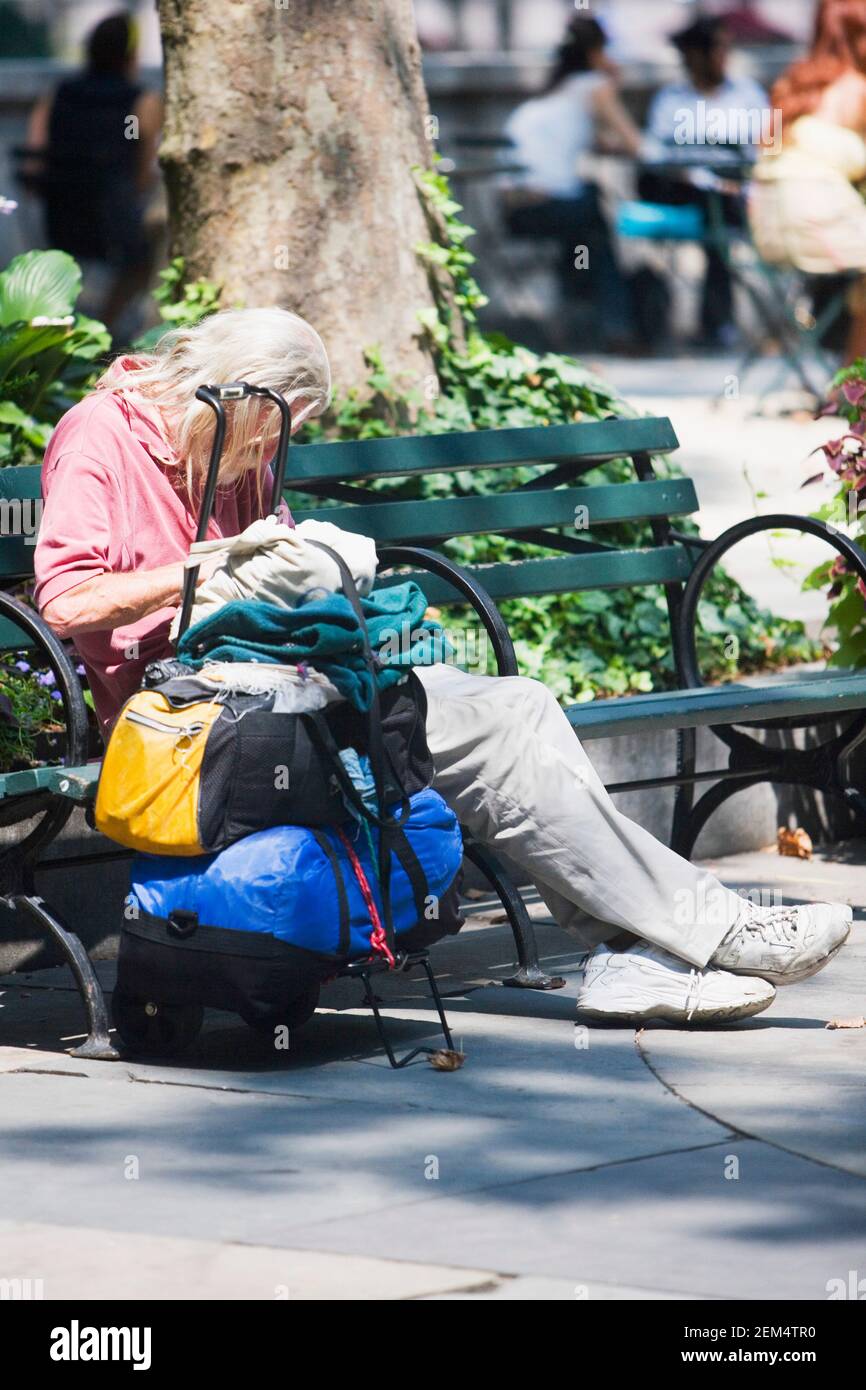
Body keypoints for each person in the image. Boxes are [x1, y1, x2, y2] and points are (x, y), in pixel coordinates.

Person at [34, 308, 852, 1026]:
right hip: (178, 714)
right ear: (243, 394)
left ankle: (642, 952)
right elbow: (65, 602)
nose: (276, 452)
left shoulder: (233, 442)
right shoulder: (101, 435)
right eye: (279, 431)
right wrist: (203, 570)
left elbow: (266, 573)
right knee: (489, 727)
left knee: (520, 704)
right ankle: (695, 935)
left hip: (283, 683)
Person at [503, 16, 643, 351]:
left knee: (587, 223)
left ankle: (578, 322)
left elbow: (580, 142)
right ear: (597, 53)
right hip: (544, 205)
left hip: (516, 208)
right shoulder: (593, 87)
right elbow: (636, 145)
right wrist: (613, 77)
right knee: (594, 213)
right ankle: (615, 325)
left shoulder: (552, 93)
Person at [24, 11, 162, 338]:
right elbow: (144, 172)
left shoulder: (58, 94)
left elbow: (35, 157)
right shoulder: (142, 101)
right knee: (146, 255)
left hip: (61, 221)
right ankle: (103, 326)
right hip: (114, 226)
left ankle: (71, 328)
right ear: (130, 55)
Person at [748, 0, 866, 363]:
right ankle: (855, 387)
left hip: (767, 232)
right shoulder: (857, 89)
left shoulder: (792, 82)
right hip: (819, 230)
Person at [641, 15, 769, 348]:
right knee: (712, 214)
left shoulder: (747, 94)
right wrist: (698, 175)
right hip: (683, 191)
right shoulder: (671, 99)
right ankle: (705, 325)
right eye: (717, 48)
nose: (725, 55)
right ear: (696, 55)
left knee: (721, 227)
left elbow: (764, 148)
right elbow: (655, 155)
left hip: (736, 191)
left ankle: (717, 326)